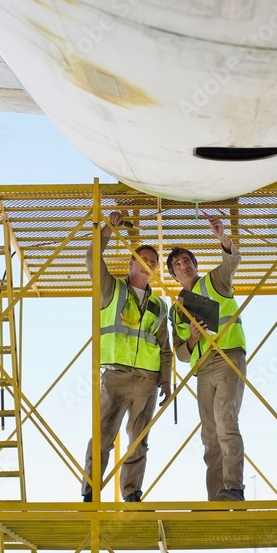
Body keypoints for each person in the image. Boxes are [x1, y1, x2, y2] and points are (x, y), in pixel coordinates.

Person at [81, 210, 172, 503]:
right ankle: (91, 493)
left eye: (154, 262)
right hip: (115, 375)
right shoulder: (112, 290)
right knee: (103, 436)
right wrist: (107, 231)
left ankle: (132, 493)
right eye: (143, 258)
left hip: (147, 380)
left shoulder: (160, 304)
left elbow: (165, 347)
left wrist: (166, 381)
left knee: (139, 441)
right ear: (131, 262)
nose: (149, 264)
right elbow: (93, 262)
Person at [167, 213, 247, 501]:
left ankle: (234, 489)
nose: (183, 265)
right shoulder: (176, 309)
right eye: (177, 265)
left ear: (196, 266)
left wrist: (222, 237)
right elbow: (181, 354)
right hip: (202, 369)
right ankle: (217, 497)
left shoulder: (215, 281)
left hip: (227, 358)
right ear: (173, 276)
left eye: (187, 261)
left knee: (226, 422)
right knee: (210, 436)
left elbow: (231, 262)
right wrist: (192, 338)